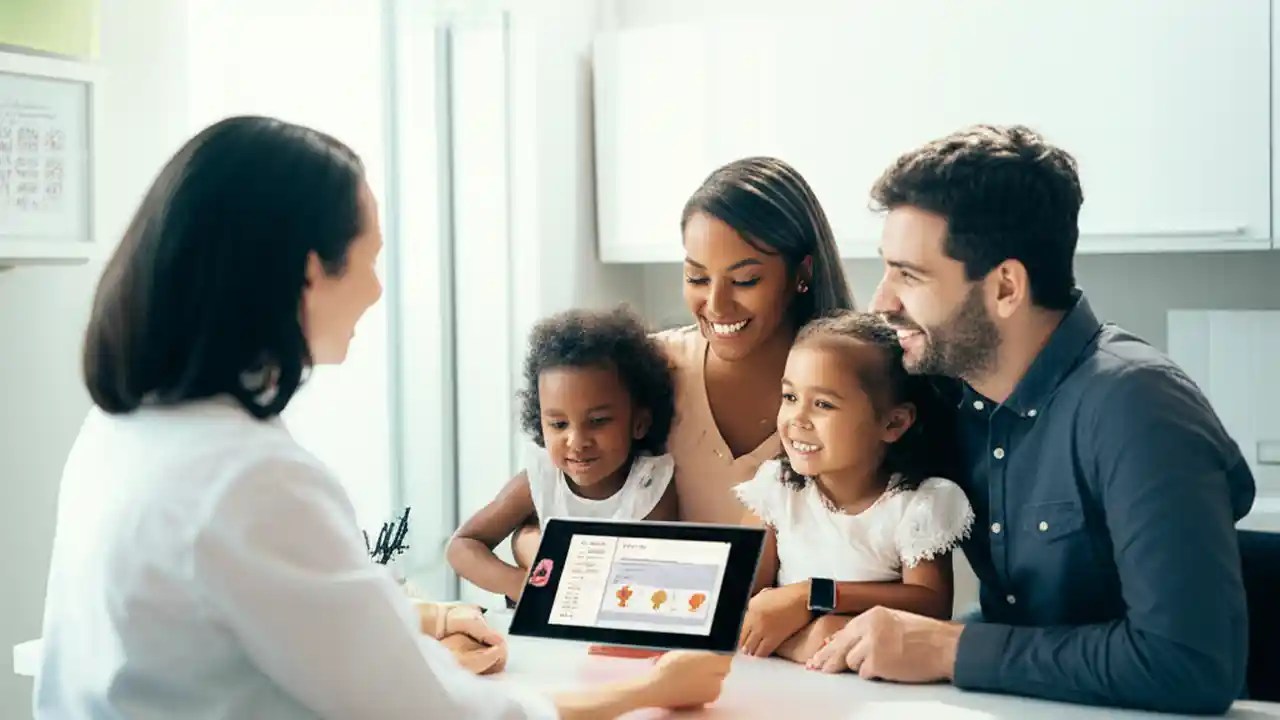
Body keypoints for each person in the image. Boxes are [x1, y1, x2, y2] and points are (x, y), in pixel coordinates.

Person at [35, 115, 730, 719]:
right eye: (371, 259)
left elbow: (271, 620)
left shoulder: (123, 429)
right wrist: (650, 689)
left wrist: (423, 620)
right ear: (311, 271)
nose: (375, 290)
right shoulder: (250, 478)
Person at [807, 125, 1255, 715]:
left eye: (909, 275)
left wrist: (951, 649)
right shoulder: (945, 392)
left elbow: (1190, 665)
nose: (881, 300)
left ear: (1006, 287)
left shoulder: (1139, 407)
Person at [511, 157, 858, 568]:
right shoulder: (645, 368)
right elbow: (538, 515)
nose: (716, 305)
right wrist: (560, 556)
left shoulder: (854, 386)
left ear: (801, 273)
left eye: (745, 281)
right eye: (697, 278)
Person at [732, 311, 971, 664]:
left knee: (832, 634)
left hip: (872, 687)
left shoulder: (918, 503)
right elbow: (740, 596)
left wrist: (814, 595)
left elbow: (932, 605)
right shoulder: (777, 488)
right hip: (781, 684)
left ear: (894, 422)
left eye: (823, 404)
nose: (797, 418)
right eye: (790, 397)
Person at [448, 306, 678, 602]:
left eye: (597, 421)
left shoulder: (651, 485)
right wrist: (520, 583)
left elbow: (643, 573)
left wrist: (535, 550)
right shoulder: (541, 477)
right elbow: (462, 545)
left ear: (639, 422)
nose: (576, 441)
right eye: (558, 424)